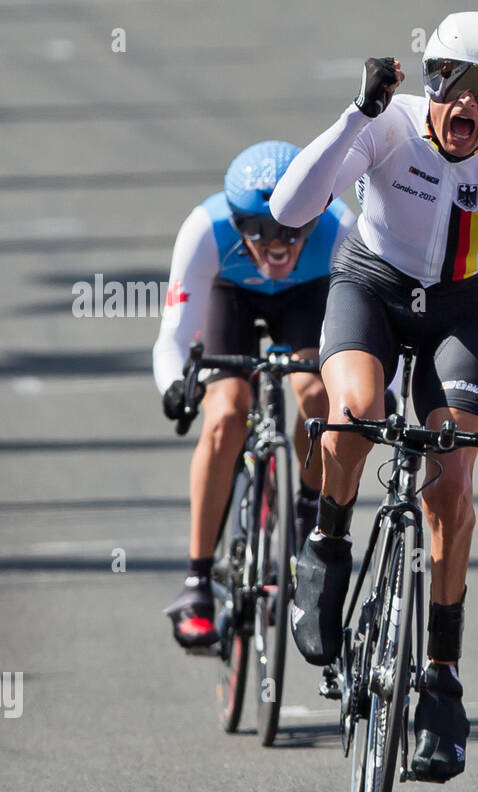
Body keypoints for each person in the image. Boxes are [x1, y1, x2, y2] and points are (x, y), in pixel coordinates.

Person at [269, 11, 478, 781]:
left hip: (465, 308)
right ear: (429, 79)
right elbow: (290, 211)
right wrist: (353, 113)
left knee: (452, 479)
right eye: (455, 82)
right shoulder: (385, 125)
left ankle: (441, 675)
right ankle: (327, 546)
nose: (469, 106)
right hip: (372, 285)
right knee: (353, 415)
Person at [153, 141, 356, 649]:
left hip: (309, 299)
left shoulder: (341, 228)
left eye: (292, 228)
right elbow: (174, 338)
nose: (278, 244)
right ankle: (196, 581)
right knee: (226, 415)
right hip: (232, 296)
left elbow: (369, 330)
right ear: (236, 222)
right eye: (260, 231)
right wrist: (175, 386)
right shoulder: (206, 229)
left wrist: (387, 389)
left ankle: (308, 508)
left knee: (316, 391)